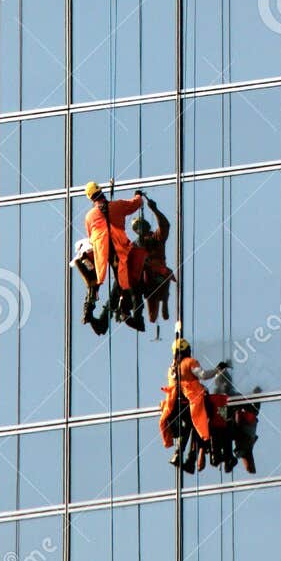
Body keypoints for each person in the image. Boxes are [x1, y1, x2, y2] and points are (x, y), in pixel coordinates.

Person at [84, 182, 146, 331]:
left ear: (91, 199)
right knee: (130, 282)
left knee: (111, 283)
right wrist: (138, 194)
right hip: (120, 250)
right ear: (101, 192)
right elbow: (135, 204)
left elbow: (90, 235)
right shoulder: (117, 206)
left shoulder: (90, 216)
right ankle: (130, 313)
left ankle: (95, 312)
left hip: (102, 253)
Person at [159, 339, 210, 473]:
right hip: (189, 403)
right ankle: (189, 457)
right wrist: (218, 369)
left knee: (189, 427)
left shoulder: (172, 368)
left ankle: (183, 456)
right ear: (186, 351)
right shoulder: (189, 362)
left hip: (174, 405)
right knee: (196, 425)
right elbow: (203, 375)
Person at [130, 197, 175, 325]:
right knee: (151, 317)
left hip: (159, 275)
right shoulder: (135, 245)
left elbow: (165, 225)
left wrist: (155, 210)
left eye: (141, 227)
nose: (139, 231)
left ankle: (165, 299)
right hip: (147, 281)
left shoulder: (155, 238)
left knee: (163, 281)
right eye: (136, 229)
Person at [69, 236, 109, 336]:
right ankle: (89, 310)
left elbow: (91, 282)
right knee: (93, 285)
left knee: (93, 285)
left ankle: (89, 310)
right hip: (94, 263)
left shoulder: (86, 258)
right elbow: (91, 282)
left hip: (94, 262)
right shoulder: (86, 259)